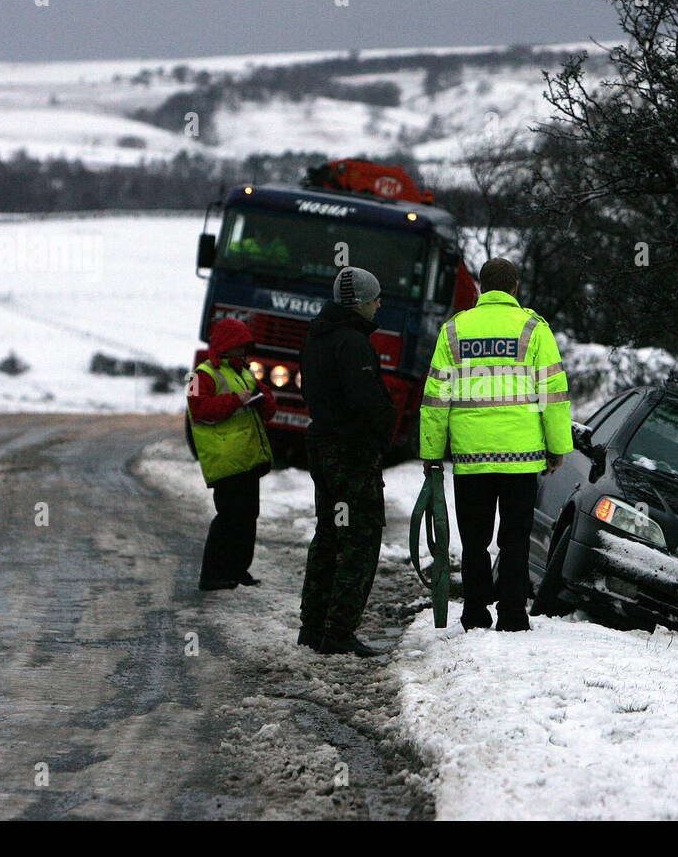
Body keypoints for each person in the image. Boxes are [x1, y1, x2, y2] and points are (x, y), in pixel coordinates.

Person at [419, 258, 572, 631]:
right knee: (515, 539)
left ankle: (474, 613)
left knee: (474, 539)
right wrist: (556, 448)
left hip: (471, 457)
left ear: (482, 289)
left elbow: (436, 397)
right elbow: (553, 394)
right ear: (515, 288)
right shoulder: (534, 330)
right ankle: (513, 615)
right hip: (520, 459)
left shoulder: (455, 330)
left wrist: (432, 454)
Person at [296, 267, 397, 656]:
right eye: (375, 298)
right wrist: (381, 435)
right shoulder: (353, 343)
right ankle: (338, 631)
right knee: (359, 540)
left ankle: (313, 626)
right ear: (358, 304)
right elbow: (366, 402)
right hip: (351, 455)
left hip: (323, 447)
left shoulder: (317, 337)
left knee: (330, 534)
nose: (379, 304)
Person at [187, 317, 278, 591]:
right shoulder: (200, 375)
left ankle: (237, 569)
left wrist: (264, 399)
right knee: (229, 515)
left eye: (244, 346)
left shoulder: (245, 372)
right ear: (226, 345)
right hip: (226, 459)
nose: (243, 351)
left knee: (248, 514)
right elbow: (199, 409)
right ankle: (212, 574)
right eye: (239, 346)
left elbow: (268, 409)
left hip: (248, 458)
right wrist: (234, 400)